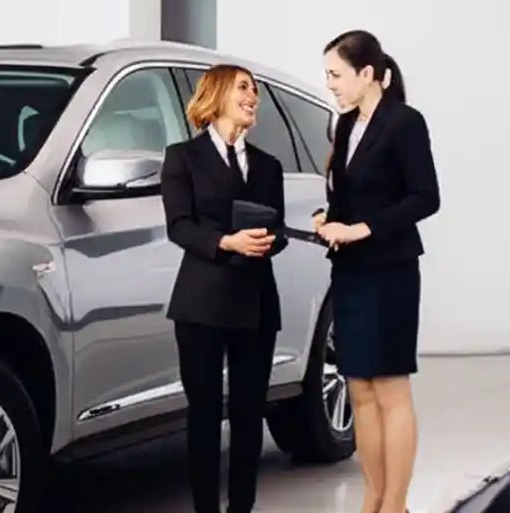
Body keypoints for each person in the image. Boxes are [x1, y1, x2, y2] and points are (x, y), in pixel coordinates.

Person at [314, 30, 439, 513]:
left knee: (389, 387)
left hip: (390, 270)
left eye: (335, 74)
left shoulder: (404, 122)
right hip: (350, 271)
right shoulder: (346, 125)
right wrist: (328, 219)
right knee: (359, 387)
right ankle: (373, 498)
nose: (329, 84)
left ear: (367, 73)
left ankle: (395, 504)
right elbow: (348, 195)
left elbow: (425, 197)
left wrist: (362, 229)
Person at [161, 64, 290, 513]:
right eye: (243, 87)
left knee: (249, 415)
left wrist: (269, 240)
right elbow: (179, 226)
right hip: (201, 304)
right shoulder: (182, 158)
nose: (253, 96)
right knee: (203, 415)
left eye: (255, 90)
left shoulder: (269, 166)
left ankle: (241, 508)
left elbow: (278, 228)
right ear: (216, 95)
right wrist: (226, 242)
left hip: (256, 305)